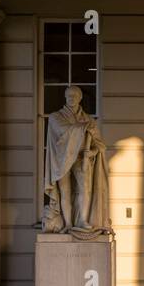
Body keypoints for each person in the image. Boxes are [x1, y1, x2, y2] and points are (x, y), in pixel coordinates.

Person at [41, 86, 110, 235]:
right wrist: (85, 128)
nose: (71, 98)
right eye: (68, 96)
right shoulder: (56, 117)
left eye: (74, 96)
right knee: (65, 191)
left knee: (85, 189)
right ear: (65, 98)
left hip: (81, 158)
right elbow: (64, 130)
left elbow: (99, 145)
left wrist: (90, 152)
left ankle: (83, 221)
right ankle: (68, 224)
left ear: (80, 98)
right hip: (62, 159)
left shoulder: (88, 119)